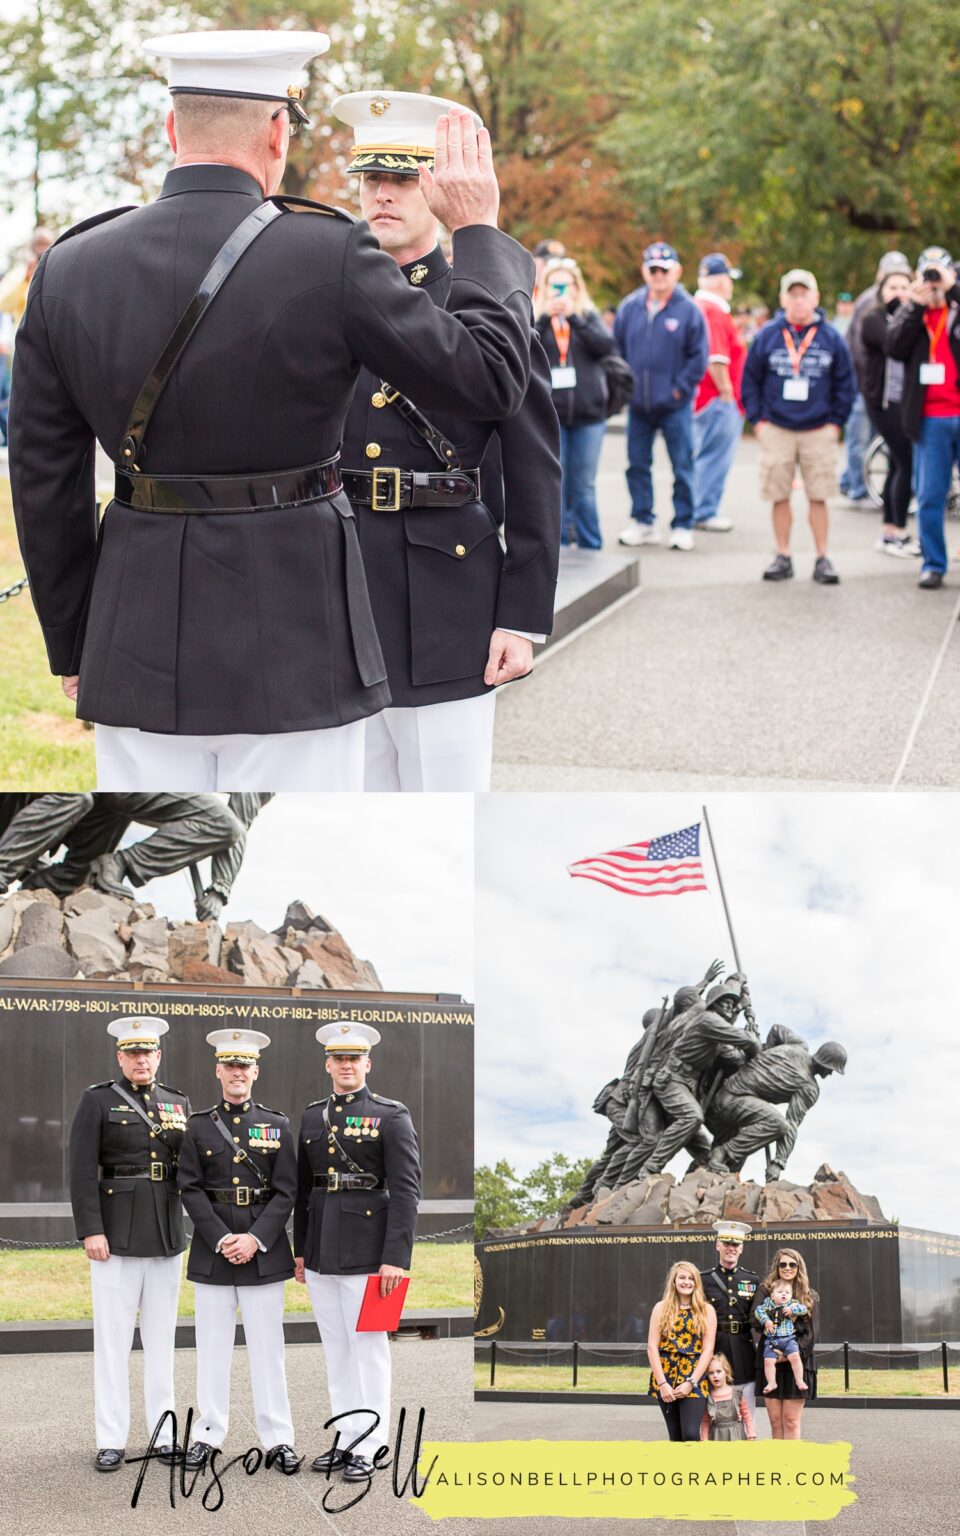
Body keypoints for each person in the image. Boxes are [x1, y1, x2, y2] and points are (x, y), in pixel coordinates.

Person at [8, 31, 537, 793]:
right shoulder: (326, 252)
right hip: (297, 639)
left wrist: (74, 643)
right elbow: (489, 380)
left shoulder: (69, 266)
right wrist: (480, 234)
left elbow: (43, 484)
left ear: (170, 131)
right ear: (277, 131)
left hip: (133, 636)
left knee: (154, 848)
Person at [332, 91, 560, 792]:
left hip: (447, 597)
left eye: (403, 179)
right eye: (372, 180)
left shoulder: (483, 302)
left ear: (439, 187)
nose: (384, 196)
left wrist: (522, 616)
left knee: (445, 797)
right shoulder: (325, 296)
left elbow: (534, 468)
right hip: (337, 597)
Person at [294, 1023, 420, 1482]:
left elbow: (406, 1192)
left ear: (367, 1064)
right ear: (328, 1064)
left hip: (373, 1256)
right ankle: (346, 1438)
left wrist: (397, 1258)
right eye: (338, 1059)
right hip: (323, 1253)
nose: (346, 1066)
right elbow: (306, 1190)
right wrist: (302, 1251)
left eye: (355, 1059)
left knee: (369, 1351)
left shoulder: (391, 1115)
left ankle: (371, 1444)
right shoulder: (311, 1117)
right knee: (338, 1352)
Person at [68, 1015, 189, 1471]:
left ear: (158, 1056)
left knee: (162, 1341)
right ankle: (111, 1436)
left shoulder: (178, 1103)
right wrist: (91, 1229)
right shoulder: (97, 1100)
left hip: (165, 1233)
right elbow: (81, 1169)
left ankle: (163, 1432)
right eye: (133, 1053)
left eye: (148, 1052)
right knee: (114, 1341)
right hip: (114, 1237)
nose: (141, 1060)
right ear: (121, 1057)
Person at [177, 1028, 299, 1472]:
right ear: (218, 1071)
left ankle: (278, 1438)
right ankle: (208, 1434)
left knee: (269, 1349)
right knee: (211, 1348)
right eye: (230, 1066)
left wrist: (255, 1238)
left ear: (255, 1072)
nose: (237, 1073)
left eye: (244, 1066)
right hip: (214, 1249)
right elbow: (189, 1188)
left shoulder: (278, 1125)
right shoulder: (198, 1126)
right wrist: (221, 1238)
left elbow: (286, 1192)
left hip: (262, 1250)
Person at [741, 268, 855, 584]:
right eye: (793, 294)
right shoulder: (768, 334)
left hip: (819, 428)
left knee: (818, 494)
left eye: (804, 294)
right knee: (778, 493)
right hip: (776, 426)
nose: (799, 300)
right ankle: (783, 554)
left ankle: (822, 557)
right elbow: (750, 380)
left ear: (815, 298)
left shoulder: (831, 337)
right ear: (783, 299)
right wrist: (758, 422)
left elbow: (846, 383)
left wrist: (836, 424)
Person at [614, 242, 708, 550]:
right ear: (644, 271)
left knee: (682, 465)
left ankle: (683, 523)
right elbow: (616, 352)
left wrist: (678, 390)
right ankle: (643, 521)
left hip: (675, 406)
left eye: (664, 270)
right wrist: (627, 388)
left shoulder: (689, 310)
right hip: (639, 405)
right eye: (653, 270)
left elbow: (698, 357)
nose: (658, 276)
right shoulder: (630, 307)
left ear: (677, 271)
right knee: (637, 465)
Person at [886, 246, 960, 590]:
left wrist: (953, 288)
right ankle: (933, 563)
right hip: (929, 418)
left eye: (937, 275)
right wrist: (915, 304)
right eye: (927, 275)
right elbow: (894, 347)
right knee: (930, 495)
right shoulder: (912, 312)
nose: (933, 282)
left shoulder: (956, 309)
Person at [535, 255, 615, 550]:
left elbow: (605, 348)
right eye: (554, 286)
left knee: (584, 487)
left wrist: (575, 320)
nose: (560, 293)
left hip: (588, 415)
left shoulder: (589, 317)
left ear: (576, 288)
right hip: (551, 415)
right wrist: (545, 317)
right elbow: (527, 347)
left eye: (565, 286)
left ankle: (591, 545)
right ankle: (555, 547)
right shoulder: (537, 317)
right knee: (555, 484)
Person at [706, 1031, 847, 1181]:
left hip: (724, 1094)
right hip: (732, 1104)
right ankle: (723, 1152)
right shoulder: (809, 1088)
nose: (831, 1074)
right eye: (832, 1069)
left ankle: (703, 1170)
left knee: (733, 1161)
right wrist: (779, 1162)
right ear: (826, 1063)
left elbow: (776, 1030)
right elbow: (791, 1123)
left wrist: (763, 1055)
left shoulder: (798, 1044)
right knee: (778, 1124)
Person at [859, 270, 917, 555]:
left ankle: (889, 530)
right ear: (882, 290)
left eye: (905, 286)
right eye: (893, 286)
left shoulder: (911, 317)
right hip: (882, 402)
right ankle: (898, 532)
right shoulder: (873, 318)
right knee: (906, 461)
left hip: (904, 401)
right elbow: (895, 346)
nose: (899, 292)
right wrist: (909, 312)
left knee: (897, 462)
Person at [692, 253, 747, 533]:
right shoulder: (711, 310)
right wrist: (726, 393)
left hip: (708, 397)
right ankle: (704, 510)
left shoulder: (703, 307)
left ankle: (701, 508)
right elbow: (716, 358)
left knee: (706, 455)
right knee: (714, 456)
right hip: (716, 397)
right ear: (721, 281)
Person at [751, 1248, 818, 1438]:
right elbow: (754, 1319)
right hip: (771, 1358)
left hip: (796, 1360)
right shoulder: (766, 1290)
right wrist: (776, 1314)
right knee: (775, 1422)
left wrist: (788, 1355)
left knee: (791, 1421)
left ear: (799, 1267)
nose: (787, 1268)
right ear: (776, 1266)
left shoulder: (807, 1295)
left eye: (792, 1264)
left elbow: (812, 1334)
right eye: (783, 1264)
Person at [647, 1261, 716, 1441]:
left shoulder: (706, 1310)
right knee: (675, 1436)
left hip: (694, 1376)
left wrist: (690, 1383)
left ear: (697, 1282)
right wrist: (662, 1384)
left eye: (691, 1278)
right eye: (682, 1278)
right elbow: (652, 1346)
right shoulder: (661, 1308)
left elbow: (708, 1349)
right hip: (665, 1376)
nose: (687, 1282)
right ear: (674, 1281)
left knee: (691, 1434)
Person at [699, 1220, 761, 1418]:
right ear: (718, 1245)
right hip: (716, 1345)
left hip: (743, 1346)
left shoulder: (752, 1279)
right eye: (726, 1243)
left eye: (735, 1245)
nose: (730, 1248)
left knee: (745, 1407)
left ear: (741, 1248)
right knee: (714, 1405)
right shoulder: (704, 1279)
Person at [756, 1281, 808, 1394]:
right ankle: (771, 1382)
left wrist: (793, 1310)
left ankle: (799, 1380)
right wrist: (766, 1321)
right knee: (768, 1361)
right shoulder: (768, 1303)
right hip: (772, 1340)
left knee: (795, 1357)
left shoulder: (792, 1303)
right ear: (772, 1295)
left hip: (789, 1339)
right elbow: (758, 1311)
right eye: (780, 1292)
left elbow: (804, 1309)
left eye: (787, 1292)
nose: (784, 1294)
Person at [699, 1354, 756, 1441]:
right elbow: (705, 1421)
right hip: (716, 1436)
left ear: (726, 1372)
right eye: (711, 1373)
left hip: (736, 1434)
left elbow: (746, 1414)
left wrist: (751, 1433)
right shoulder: (708, 1397)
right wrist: (704, 1439)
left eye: (719, 1371)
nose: (715, 1375)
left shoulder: (737, 1393)